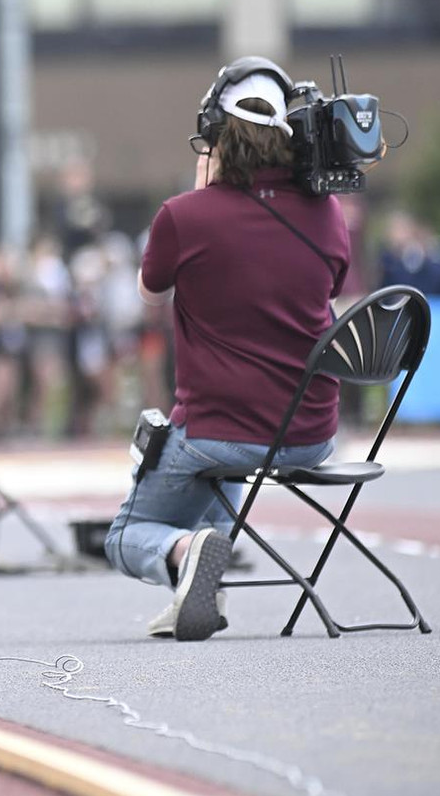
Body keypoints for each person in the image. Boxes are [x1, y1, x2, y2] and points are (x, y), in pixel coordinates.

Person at [105, 59, 350, 641]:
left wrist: (200, 197)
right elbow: (331, 288)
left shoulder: (184, 216)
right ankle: (201, 574)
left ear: (214, 136)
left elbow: (148, 295)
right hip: (310, 435)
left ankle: (188, 552)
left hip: (219, 432)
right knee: (231, 450)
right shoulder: (329, 213)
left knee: (124, 537)